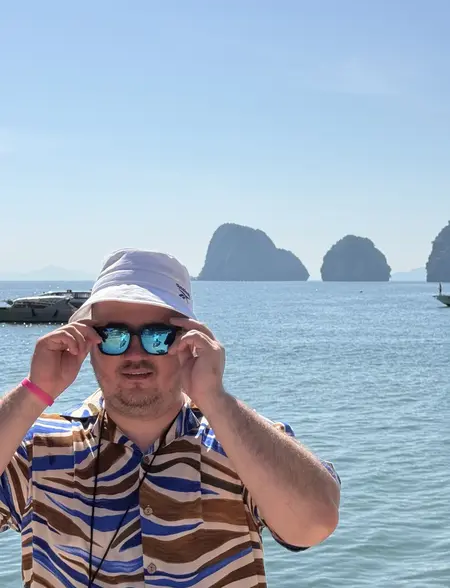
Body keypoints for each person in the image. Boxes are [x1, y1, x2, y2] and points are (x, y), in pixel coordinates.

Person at [0, 248, 341, 587]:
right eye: (114, 336)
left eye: (157, 337)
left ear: (190, 342)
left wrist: (215, 399)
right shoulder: (37, 449)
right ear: (89, 345)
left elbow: (314, 524)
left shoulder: (241, 444)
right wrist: (35, 391)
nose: (135, 354)